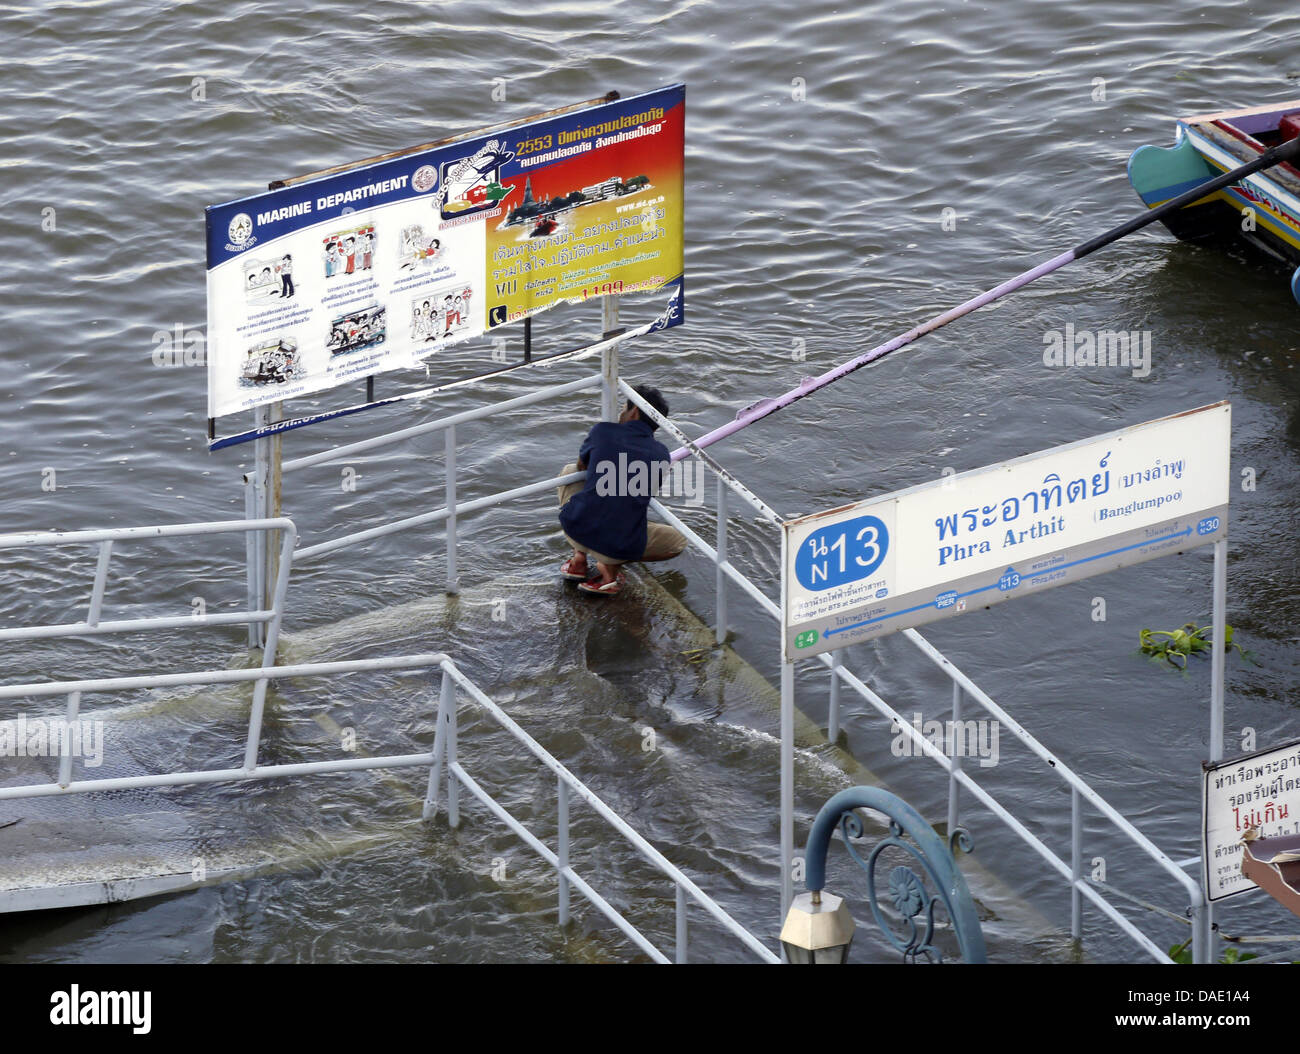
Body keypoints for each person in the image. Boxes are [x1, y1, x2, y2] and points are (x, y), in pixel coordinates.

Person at [557, 385, 687, 596]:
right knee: (678, 540)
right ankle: (609, 573)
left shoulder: (602, 431)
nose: (620, 412)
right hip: (618, 542)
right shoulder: (661, 454)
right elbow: (645, 493)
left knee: (570, 471)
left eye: (623, 407)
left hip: (578, 528)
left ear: (633, 410)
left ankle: (578, 561)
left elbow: (582, 466)